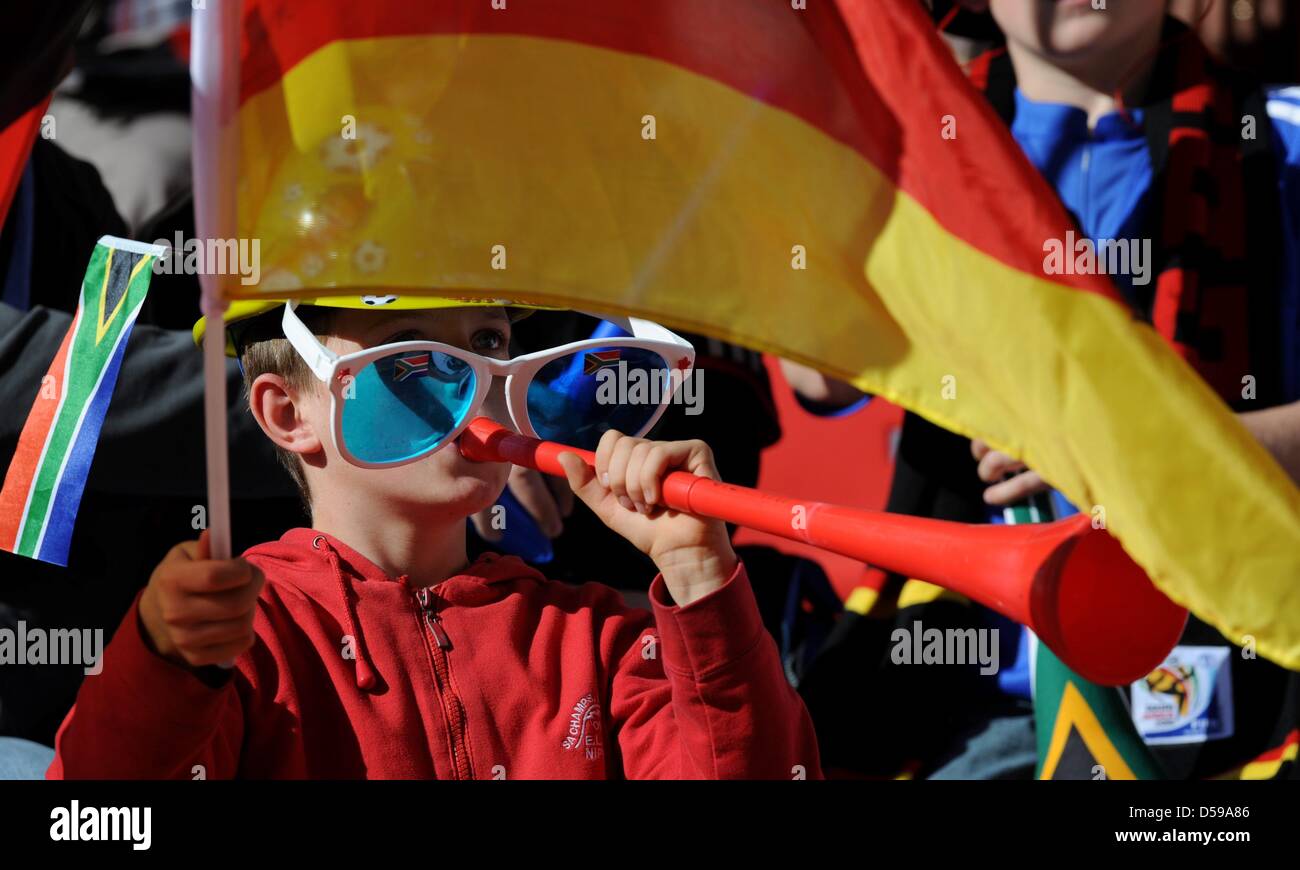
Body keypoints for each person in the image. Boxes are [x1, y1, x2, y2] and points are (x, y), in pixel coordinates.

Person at [797, 0, 1300, 779]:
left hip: (1248, 685)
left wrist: (1162, 448)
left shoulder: (1281, 142)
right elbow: (815, 371)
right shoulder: (903, 145)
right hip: (973, 705)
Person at [46, 296, 822, 779]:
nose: (478, 381)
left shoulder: (598, 636)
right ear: (289, 413)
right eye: (416, 353)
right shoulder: (246, 633)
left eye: (488, 342)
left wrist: (699, 580)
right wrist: (163, 669)